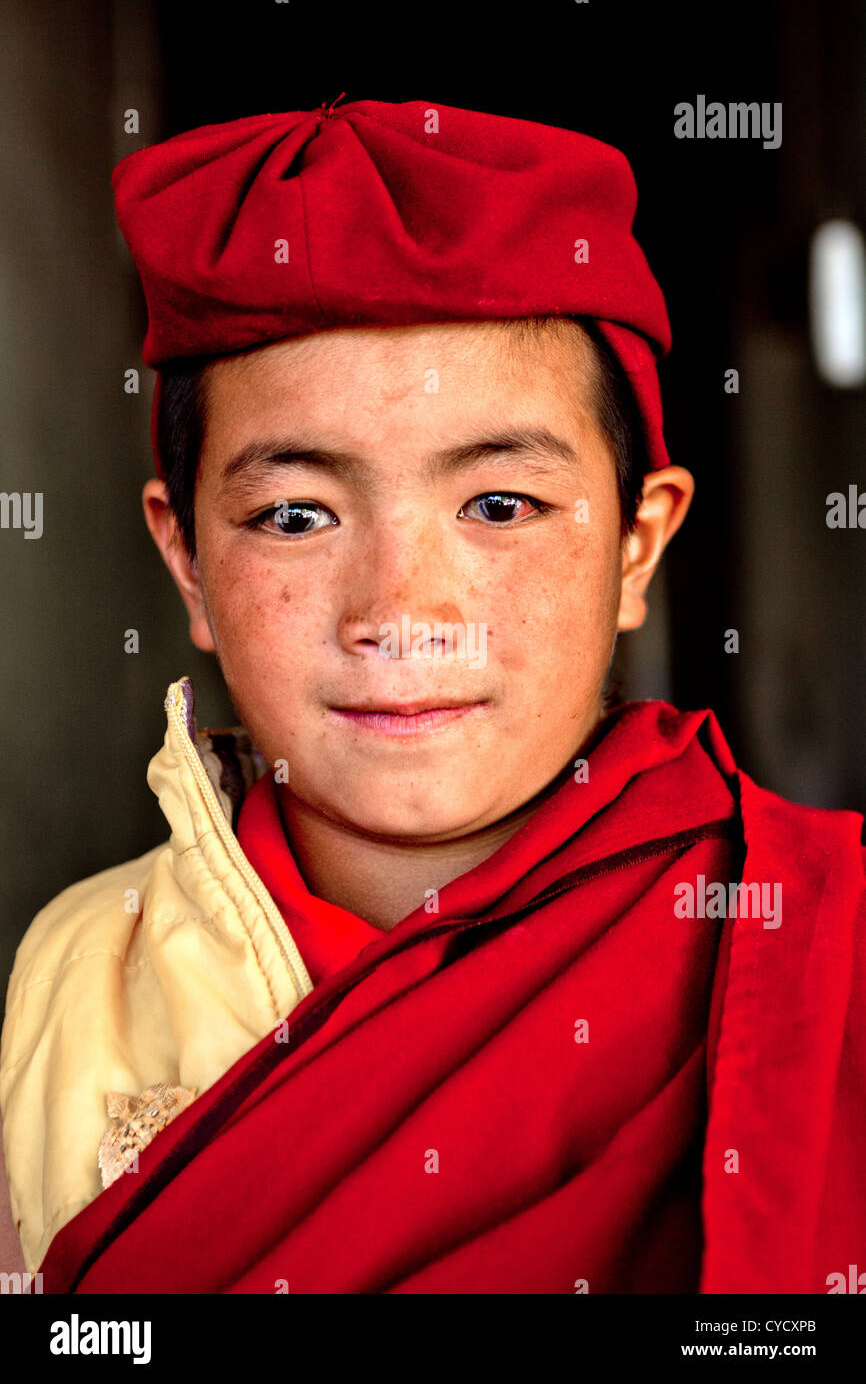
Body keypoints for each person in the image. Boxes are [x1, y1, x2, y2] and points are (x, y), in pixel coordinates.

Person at [1, 98, 864, 1295]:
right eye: (295, 515)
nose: (399, 608)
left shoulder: (810, 941)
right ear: (187, 562)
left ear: (636, 546)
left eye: (499, 507)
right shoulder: (78, 969)